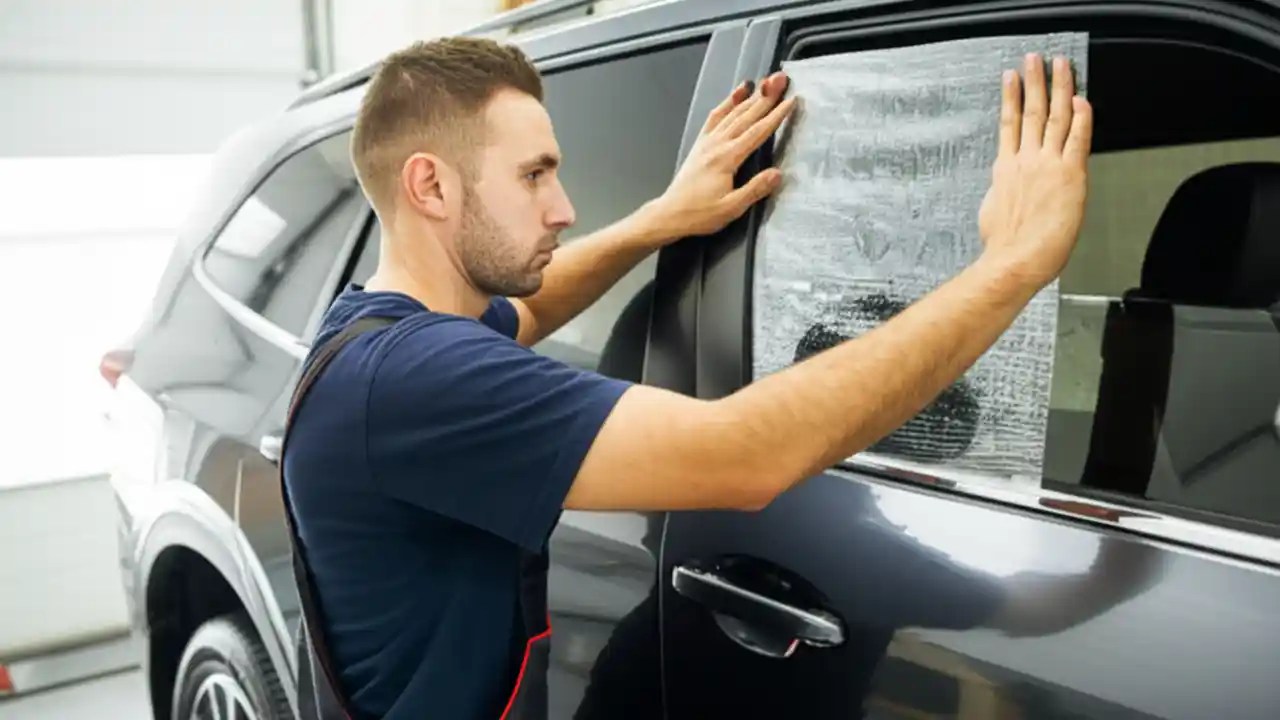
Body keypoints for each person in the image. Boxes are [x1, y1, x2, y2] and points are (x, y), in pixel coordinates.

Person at [281, 35, 1092, 720]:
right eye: (534, 175)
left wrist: (659, 220)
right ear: (430, 186)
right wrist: (1012, 267)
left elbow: (525, 312)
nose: (563, 209)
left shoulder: (373, 333)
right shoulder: (417, 379)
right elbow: (744, 455)